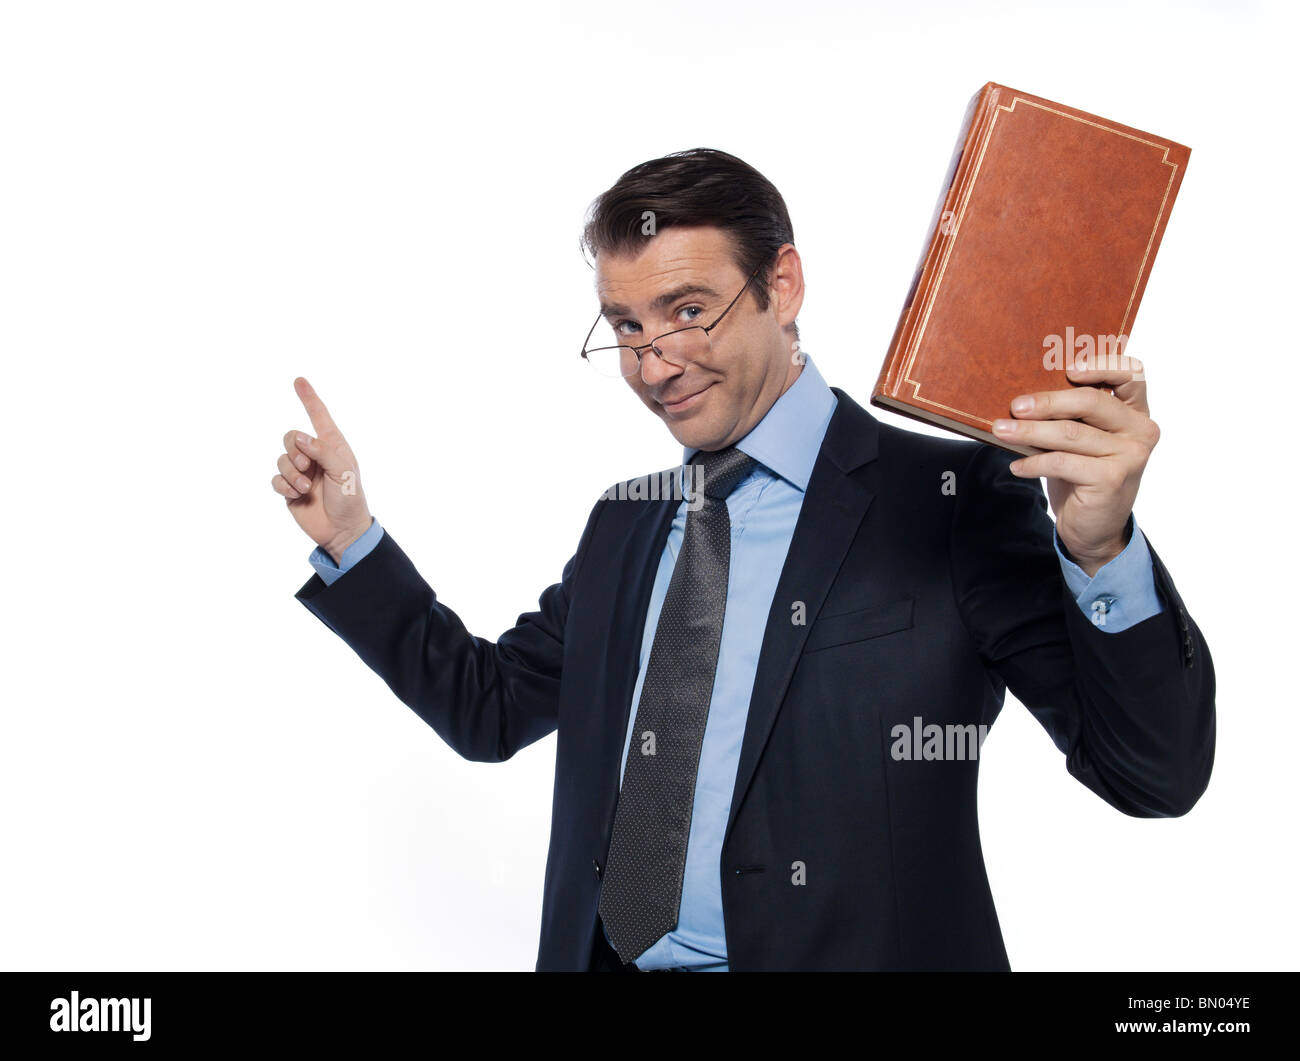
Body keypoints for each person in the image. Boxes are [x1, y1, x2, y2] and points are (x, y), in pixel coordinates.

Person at [271, 148, 1215, 971]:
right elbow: (488, 707)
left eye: (687, 309)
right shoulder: (626, 526)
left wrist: (1099, 547)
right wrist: (351, 539)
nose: (654, 362)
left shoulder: (949, 501)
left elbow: (1153, 774)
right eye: (628, 325)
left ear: (784, 284)